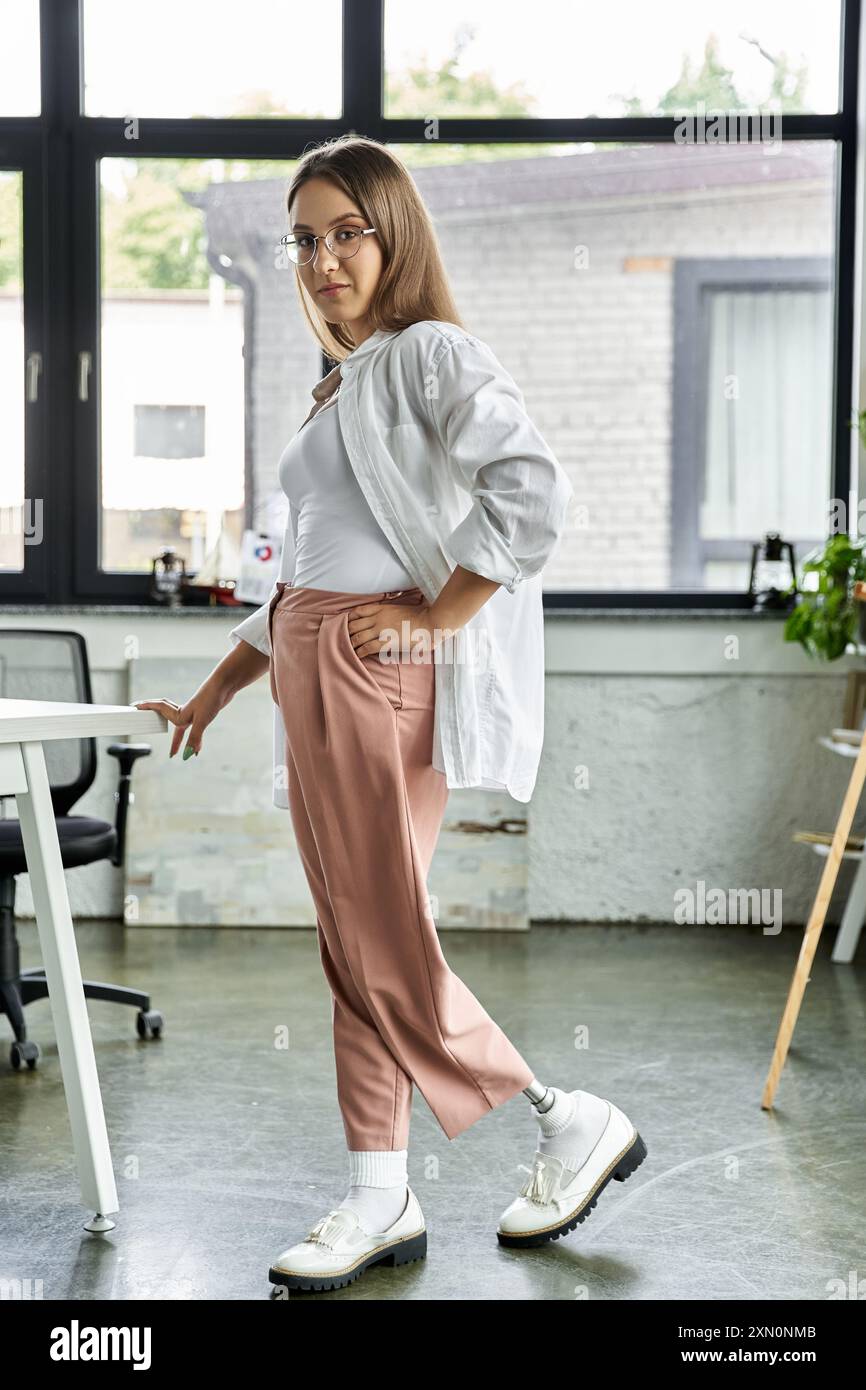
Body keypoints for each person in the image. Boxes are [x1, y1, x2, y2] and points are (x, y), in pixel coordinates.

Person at [134, 134, 646, 1294]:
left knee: (379, 939)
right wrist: (215, 691)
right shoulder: (343, 383)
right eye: (304, 239)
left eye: (345, 233)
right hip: (314, 662)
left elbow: (532, 494)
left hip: (376, 672)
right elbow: (303, 574)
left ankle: (565, 1119)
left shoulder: (428, 355)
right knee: (350, 945)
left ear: (392, 234)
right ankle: (377, 1190)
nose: (321, 260)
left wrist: (438, 617)